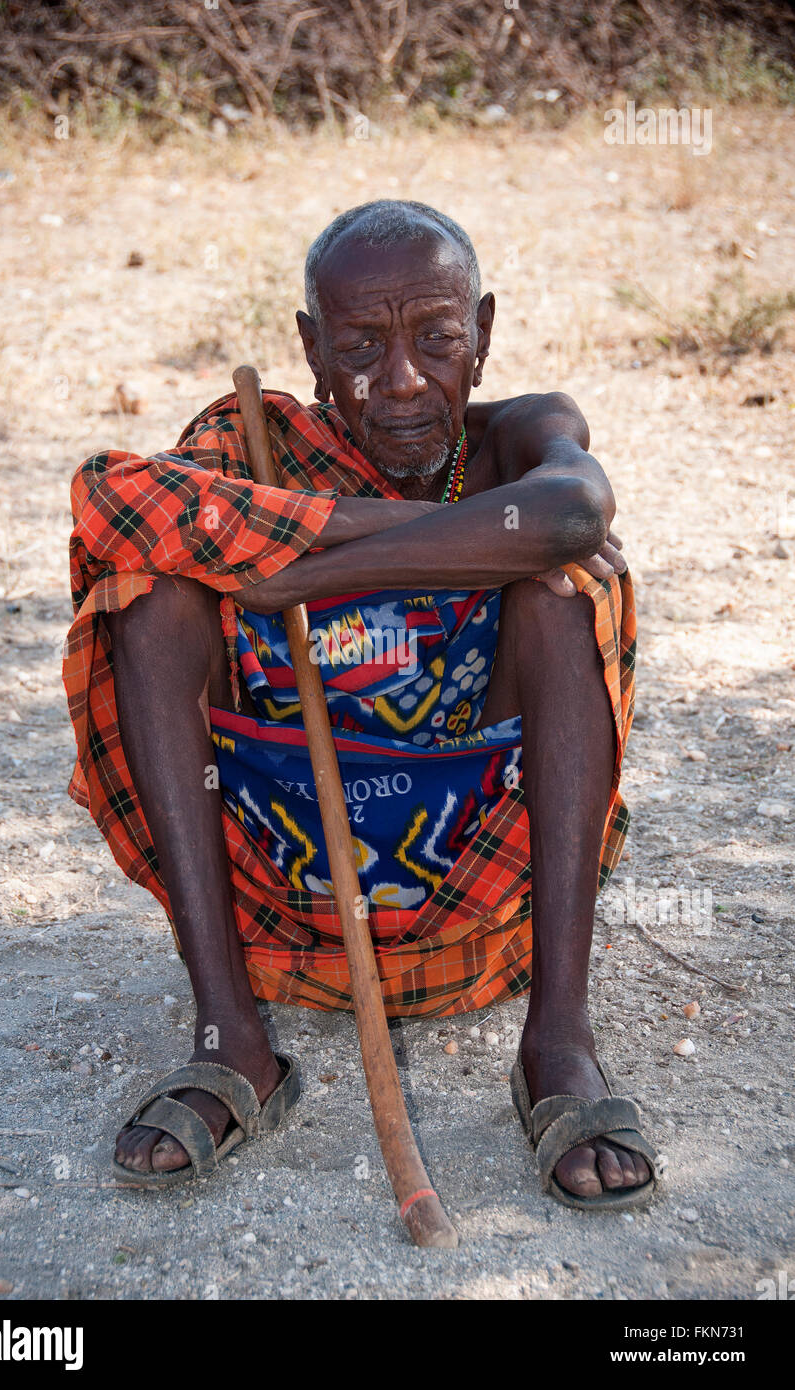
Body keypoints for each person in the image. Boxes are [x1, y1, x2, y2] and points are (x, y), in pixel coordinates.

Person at [64, 199, 658, 1209]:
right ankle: (231, 1041)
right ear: (308, 346)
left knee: (563, 591)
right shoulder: (257, 445)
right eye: (358, 347)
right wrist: (362, 520)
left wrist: (291, 571)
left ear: (483, 330)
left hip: (471, 899)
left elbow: (568, 511)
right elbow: (110, 497)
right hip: (288, 895)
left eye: (435, 338)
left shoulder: (520, 435)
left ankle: (557, 1041)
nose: (399, 381)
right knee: (150, 593)